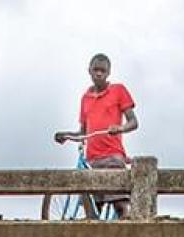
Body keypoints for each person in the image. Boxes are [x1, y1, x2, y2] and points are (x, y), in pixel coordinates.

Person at [54, 53, 138, 217]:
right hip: (92, 159)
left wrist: (120, 128)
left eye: (103, 71)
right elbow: (83, 132)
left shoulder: (118, 90)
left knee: (120, 204)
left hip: (112, 156)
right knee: (93, 211)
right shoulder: (85, 99)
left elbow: (133, 122)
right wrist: (67, 135)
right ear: (89, 71)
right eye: (96, 70)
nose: (99, 74)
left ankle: (126, 228)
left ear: (108, 73)